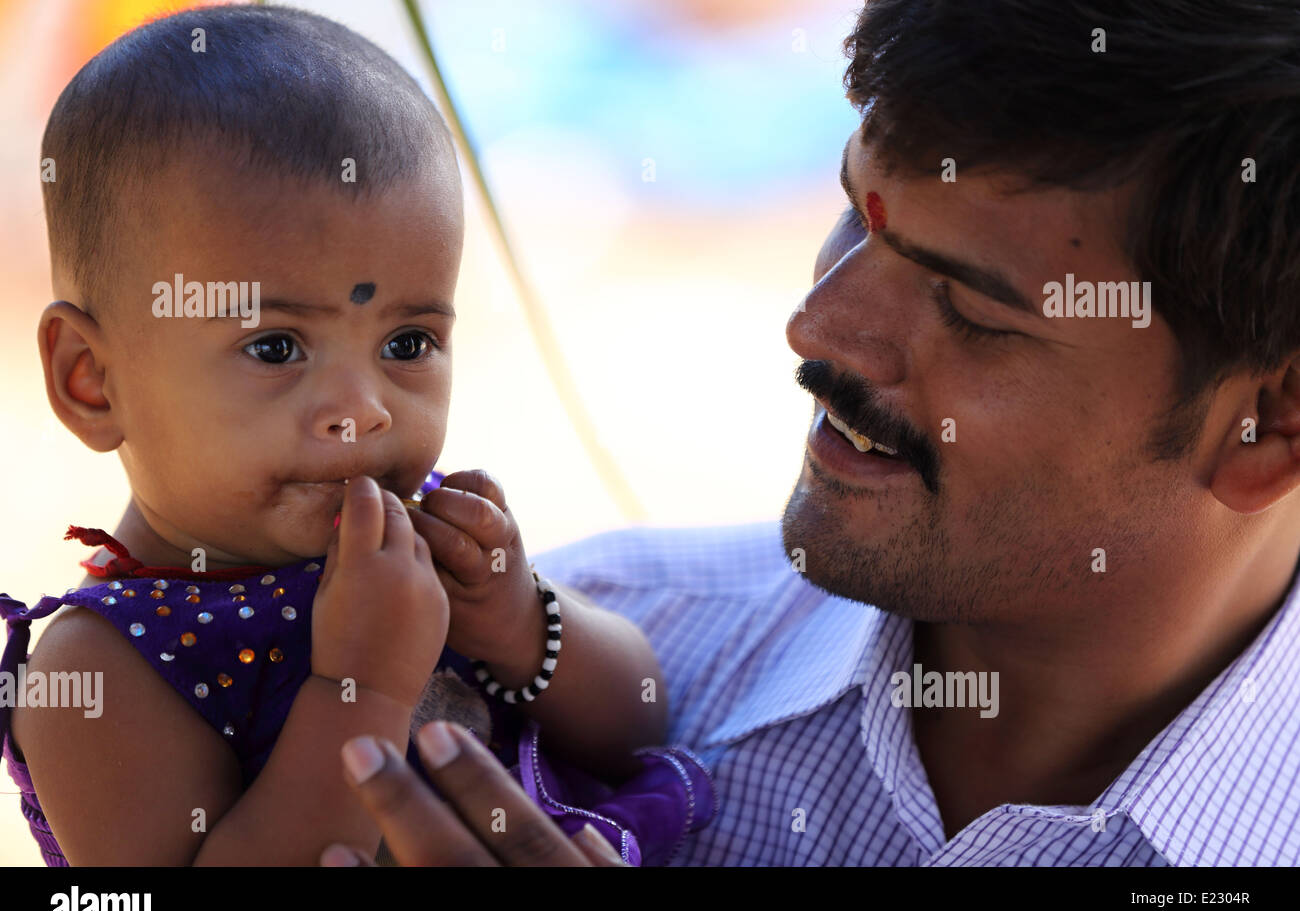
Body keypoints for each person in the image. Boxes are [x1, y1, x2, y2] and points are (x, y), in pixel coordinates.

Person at [327, 0, 1300, 866]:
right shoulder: (509, 664)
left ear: (1268, 422)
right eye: (853, 215)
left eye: (968, 306)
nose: (817, 327)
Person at [0, 4, 715, 867]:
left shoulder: (416, 547)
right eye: (274, 347)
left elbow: (637, 723)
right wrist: (360, 688)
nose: (363, 409)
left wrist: (522, 622)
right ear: (92, 379)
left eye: (407, 344)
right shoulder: (105, 671)